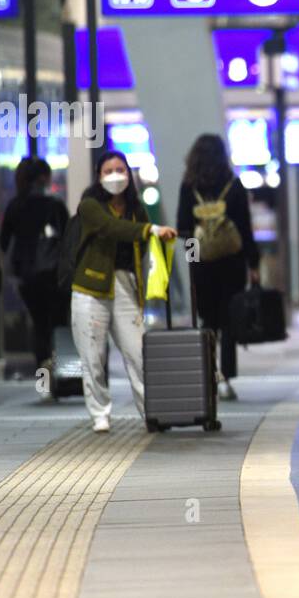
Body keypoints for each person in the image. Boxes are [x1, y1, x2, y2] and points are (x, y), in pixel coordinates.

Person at [70, 151, 177, 432]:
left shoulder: (135, 208)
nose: (115, 175)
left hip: (125, 287)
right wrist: (150, 230)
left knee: (139, 352)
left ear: (129, 175)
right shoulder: (90, 205)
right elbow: (112, 228)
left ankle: (150, 410)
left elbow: (140, 244)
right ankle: (100, 414)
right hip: (90, 287)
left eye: (121, 169)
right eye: (108, 170)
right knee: (93, 356)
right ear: (98, 176)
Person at [176, 133, 259, 401]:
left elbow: (183, 228)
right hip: (232, 264)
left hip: (202, 264)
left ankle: (209, 374)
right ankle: (226, 378)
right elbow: (245, 229)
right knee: (229, 321)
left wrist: (192, 260)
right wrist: (253, 263)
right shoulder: (234, 186)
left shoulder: (188, 187)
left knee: (208, 321)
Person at [0, 157, 69, 373]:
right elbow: (68, 239)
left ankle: (44, 382)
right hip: (55, 275)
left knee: (39, 327)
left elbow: (4, 242)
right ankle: (64, 376)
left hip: (27, 277)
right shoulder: (55, 205)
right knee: (58, 325)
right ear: (43, 178)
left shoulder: (15, 206)